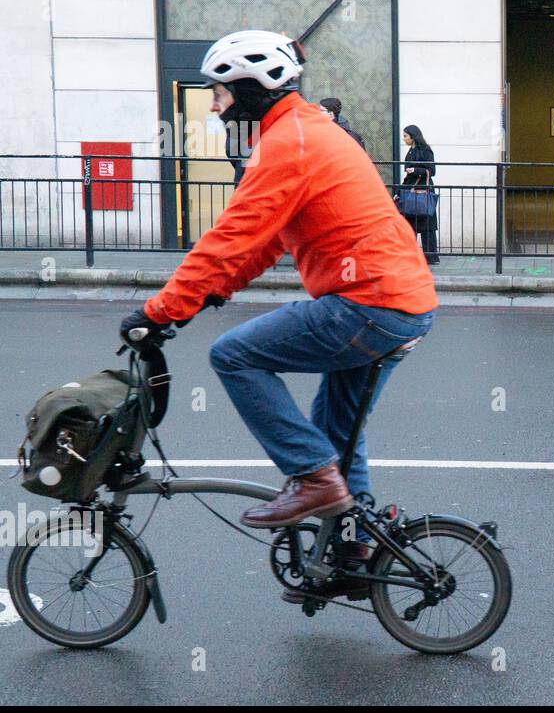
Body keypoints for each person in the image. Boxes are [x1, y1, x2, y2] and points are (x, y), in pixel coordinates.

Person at [119, 30, 437, 603]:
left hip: (368, 303)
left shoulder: (287, 142)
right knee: (336, 434)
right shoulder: (304, 131)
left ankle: (314, 482)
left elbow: (233, 235)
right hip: (398, 302)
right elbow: (261, 245)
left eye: (219, 94)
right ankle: (355, 554)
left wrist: (160, 311)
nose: (214, 106)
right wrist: (209, 295)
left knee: (234, 355)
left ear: (249, 88)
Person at [398, 124, 438, 264]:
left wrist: (415, 170)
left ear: (413, 136)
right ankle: (410, 255)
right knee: (410, 222)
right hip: (410, 189)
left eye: (405, 136)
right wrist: (399, 192)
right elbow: (407, 175)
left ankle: (430, 256)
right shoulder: (410, 151)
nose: (404, 139)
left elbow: (432, 170)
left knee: (427, 224)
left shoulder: (425, 150)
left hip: (423, 190)